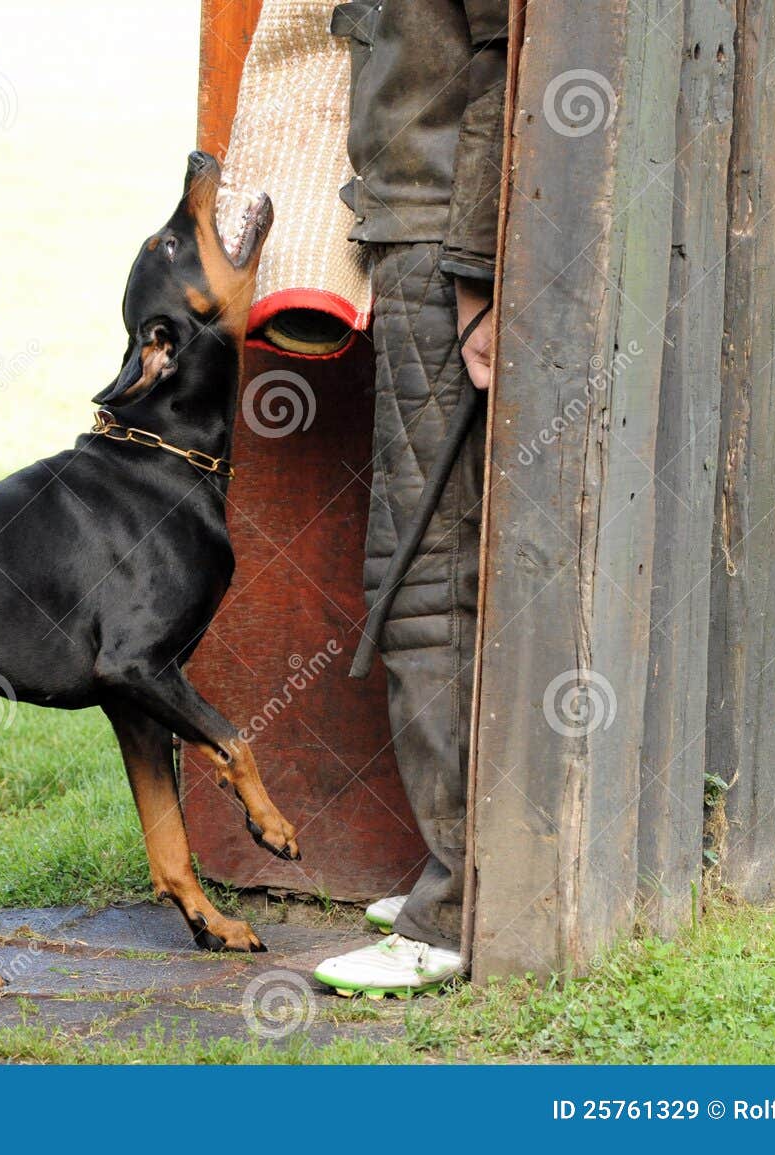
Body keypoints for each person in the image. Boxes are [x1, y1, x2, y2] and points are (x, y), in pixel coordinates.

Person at [313, 0, 507, 996]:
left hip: (442, 250)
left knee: (426, 578)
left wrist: (474, 271)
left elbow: (506, 61)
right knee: (430, 566)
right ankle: (466, 881)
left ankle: (456, 909)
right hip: (418, 236)